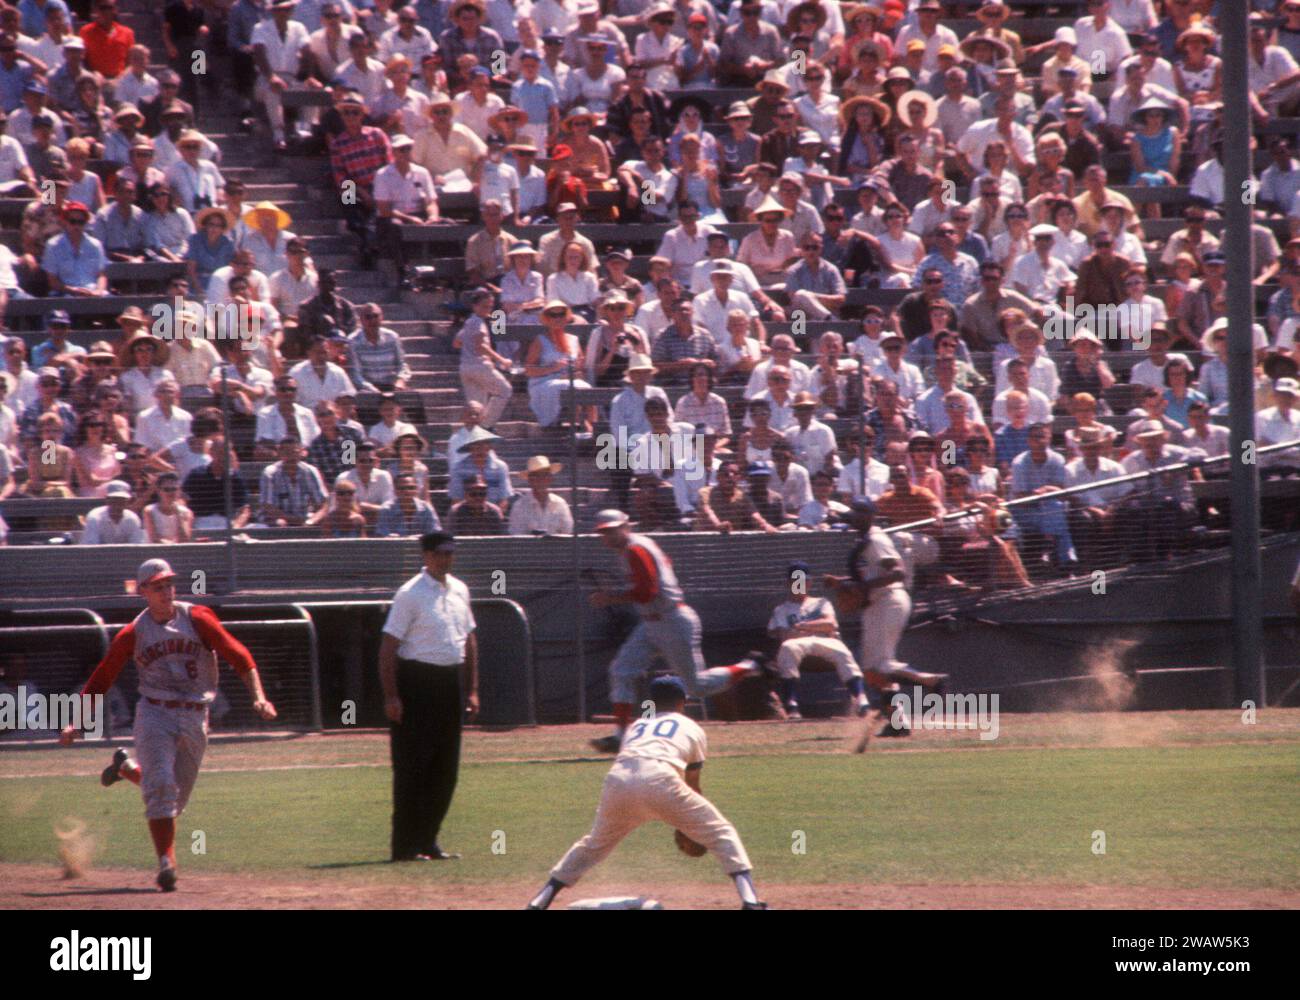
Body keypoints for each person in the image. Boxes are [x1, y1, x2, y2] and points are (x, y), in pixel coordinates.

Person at [60, 558, 277, 893]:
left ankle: (126, 769)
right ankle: (167, 864)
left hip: (195, 714)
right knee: (161, 788)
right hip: (154, 712)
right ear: (143, 591)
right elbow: (103, 676)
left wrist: (259, 697)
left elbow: (239, 655)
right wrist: (76, 721)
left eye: (169, 584)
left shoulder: (198, 618)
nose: (166, 591)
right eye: (157, 586)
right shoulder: (133, 633)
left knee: (174, 801)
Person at [527, 674, 766, 911]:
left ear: (651, 701)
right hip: (660, 778)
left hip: (618, 781)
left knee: (593, 845)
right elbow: (692, 784)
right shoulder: (691, 727)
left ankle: (539, 902)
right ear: (682, 702)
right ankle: (751, 902)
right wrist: (688, 826)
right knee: (721, 832)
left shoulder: (637, 725)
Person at [587, 508, 768, 753]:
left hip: (672, 620)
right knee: (621, 670)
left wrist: (610, 597)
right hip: (652, 622)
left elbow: (648, 592)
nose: (607, 536)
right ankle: (620, 736)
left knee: (696, 687)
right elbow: (662, 570)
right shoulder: (637, 546)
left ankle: (751, 666)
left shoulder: (635, 549)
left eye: (612, 530)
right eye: (603, 532)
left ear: (625, 527)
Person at [379, 531, 479, 862]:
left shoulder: (460, 589)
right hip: (417, 682)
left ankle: (428, 840)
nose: (446, 559)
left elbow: (469, 640)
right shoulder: (410, 594)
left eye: (450, 553)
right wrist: (392, 696)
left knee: (445, 769)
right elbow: (389, 647)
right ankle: (404, 846)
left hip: (449, 683)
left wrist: (472, 688)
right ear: (425, 555)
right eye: (439, 554)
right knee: (413, 767)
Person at [827, 499, 948, 740]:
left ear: (871, 516)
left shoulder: (877, 539)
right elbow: (872, 575)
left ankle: (930, 683)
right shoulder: (864, 538)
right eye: (854, 513)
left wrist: (860, 587)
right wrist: (843, 583)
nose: (855, 517)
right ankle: (898, 723)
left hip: (889, 601)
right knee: (873, 673)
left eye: (860, 513)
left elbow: (897, 572)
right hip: (877, 604)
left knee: (881, 666)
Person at [766, 562, 870, 719]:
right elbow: (785, 635)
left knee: (842, 650)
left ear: (810, 582)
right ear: (789, 583)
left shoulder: (821, 602)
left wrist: (802, 626)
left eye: (803, 581)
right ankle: (791, 705)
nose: (800, 584)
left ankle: (862, 700)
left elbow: (830, 624)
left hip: (824, 642)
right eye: (795, 581)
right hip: (798, 645)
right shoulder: (782, 609)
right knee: (787, 647)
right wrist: (816, 626)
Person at [507, 455, 573, 535]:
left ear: (550, 478)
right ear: (529, 480)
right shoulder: (519, 506)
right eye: (536, 476)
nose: (541, 479)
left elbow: (568, 534)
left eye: (545, 475)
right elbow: (517, 540)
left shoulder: (560, 504)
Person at [82, 479, 146, 544]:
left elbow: (136, 546)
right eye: (114, 499)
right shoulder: (95, 517)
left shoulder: (133, 519)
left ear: (127, 501)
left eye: (121, 500)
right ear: (107, 500)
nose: (117, 503)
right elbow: (91, 547)